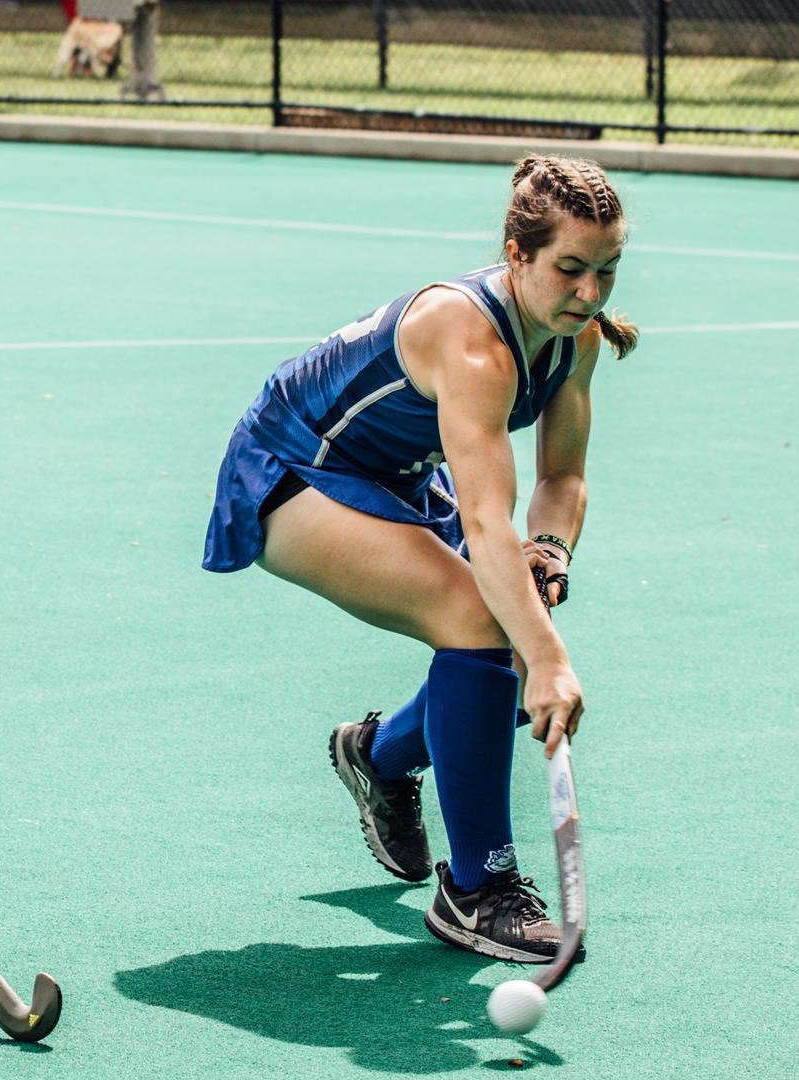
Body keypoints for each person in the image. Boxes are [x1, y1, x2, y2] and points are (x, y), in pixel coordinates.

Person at [202, 155, 637, 963]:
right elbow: (482, 514)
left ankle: (377, 753)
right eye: (569, 270)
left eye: (606, 272)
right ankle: (476, 890)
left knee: (505, 629)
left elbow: (561, 476)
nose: (588, 294)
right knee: (483, 623)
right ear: (516, 254)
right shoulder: (473, 343)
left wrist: (549, 550)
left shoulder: (570, 337)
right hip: (293, 468)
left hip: (393, 476)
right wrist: (546, 657)